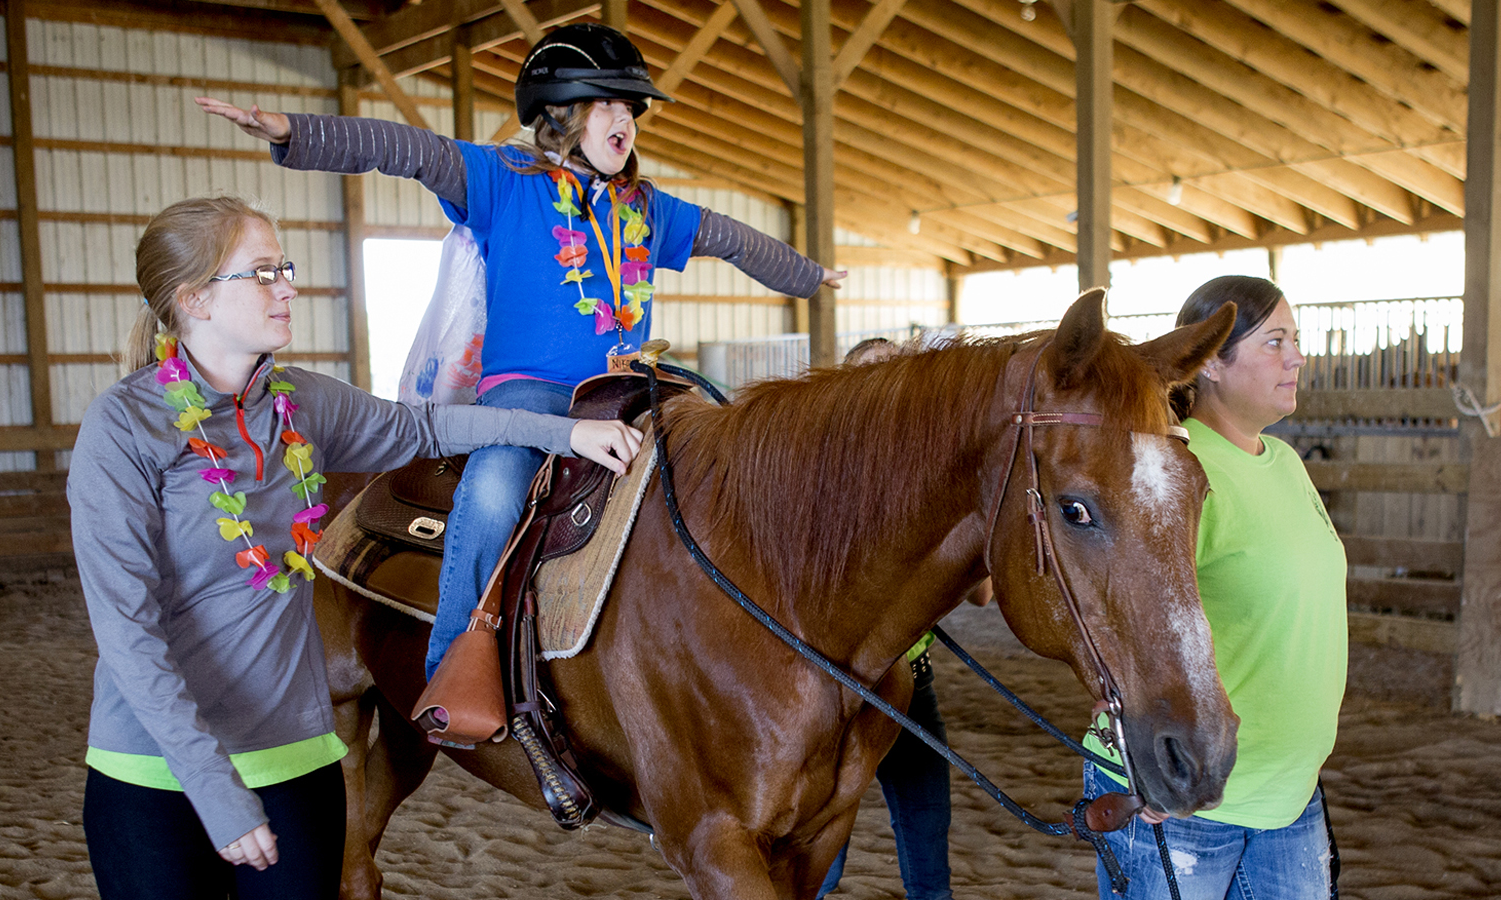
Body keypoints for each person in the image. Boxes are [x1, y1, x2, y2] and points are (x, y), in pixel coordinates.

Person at [194, 21, 845, 682]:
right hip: (527, 392)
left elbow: (728, 237)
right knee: (494, 490)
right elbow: (406, 149)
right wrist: (291, 132)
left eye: (632, 110)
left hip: (628, 388)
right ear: (559, 115)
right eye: (609, 105)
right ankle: (454, 662)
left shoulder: (645, 207)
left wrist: (808, 276)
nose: (628, 119)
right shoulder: (503, 181)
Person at [68, 196, 642, 900]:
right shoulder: (124, 427)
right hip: (156, 777)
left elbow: (427, 427)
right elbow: (127, 631)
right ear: (195, 299)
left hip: (297, 763)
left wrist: (564, 434)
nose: (289, 286)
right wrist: (215, 791)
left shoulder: (301, 403)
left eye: (285, 266)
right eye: (262, 273)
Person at [1083, 275, 1346, 900]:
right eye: (1275, 342)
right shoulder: (1175, 468)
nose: (1297, 358)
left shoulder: (1284, 463)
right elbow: (1111, 611)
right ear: (1212, 365)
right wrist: (1134, 748)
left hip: (1289, 795)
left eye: (1296, 340)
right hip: (1184, 797)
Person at [815, 336, 955, 900]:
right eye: (874, 376)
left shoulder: (927, 478)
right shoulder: (825, 476)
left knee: (928, 843)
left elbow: (981, 596)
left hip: (911, 683)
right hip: (835, 690)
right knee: (818, 853)